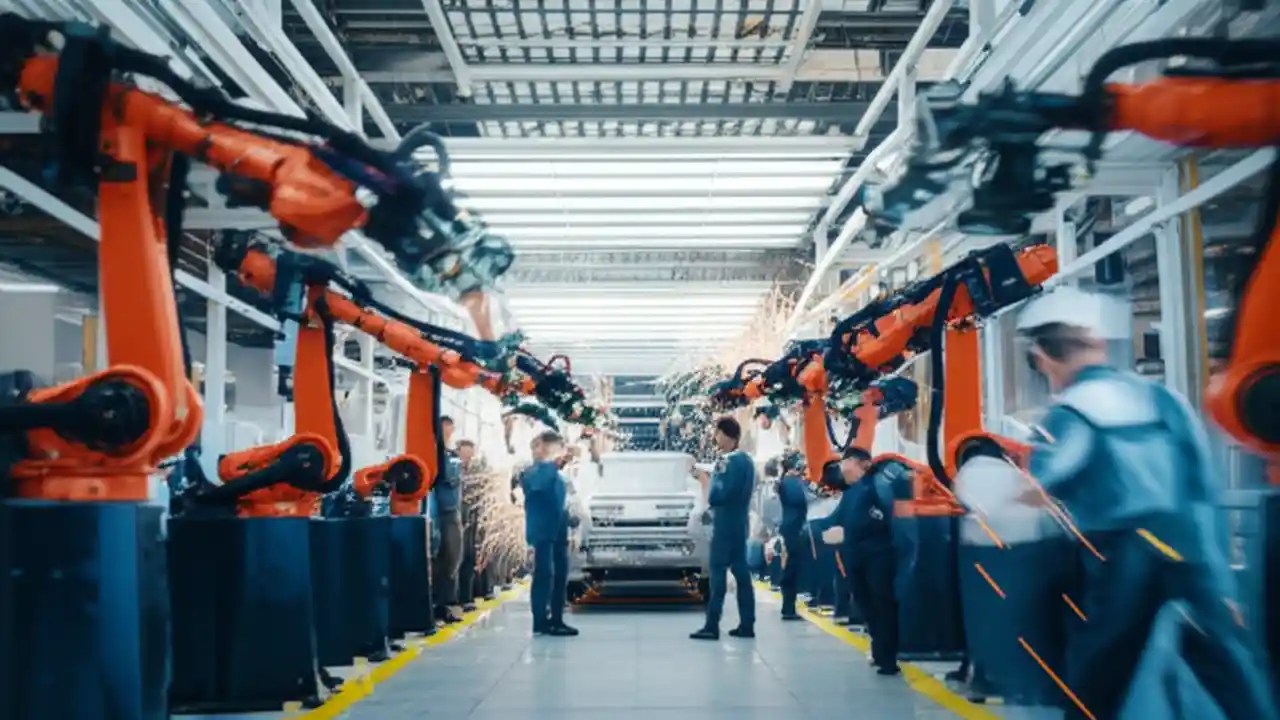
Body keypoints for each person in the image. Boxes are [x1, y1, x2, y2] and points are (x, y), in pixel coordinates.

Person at [1016, 286, 1276, 720]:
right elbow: (1202, 490)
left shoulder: (1069, 411)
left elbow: (1042, 485)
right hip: (1189, 547)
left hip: (1124, 555)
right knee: (1229, 664)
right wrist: (1222, 584)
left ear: (1043, 358)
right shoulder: (1163, 400)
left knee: (1100, 669)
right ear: (1097, 345)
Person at [827, 446, 899, 675]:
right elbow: (836, 519)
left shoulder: (877, 486)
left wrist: (851, 531)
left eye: (845, 461)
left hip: (878, 556)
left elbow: (885, 518)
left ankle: (888, 659)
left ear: (862, 463)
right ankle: (879, 650)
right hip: (855, 557)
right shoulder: (850, 493)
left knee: (882, 603)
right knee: (865, 603)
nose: (841, 466)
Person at [691, 416, 757, 640]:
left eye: (717, 433)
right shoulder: (747, 461)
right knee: (742, 575)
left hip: (724, 524)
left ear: (726, 435)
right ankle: (747, 623)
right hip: (740, 524)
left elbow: (717, 495)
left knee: (717, 574)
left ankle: (712, 625)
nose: (715, 438)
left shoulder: (726, 461)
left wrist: (704, 481)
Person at [521, 430, 579, 637]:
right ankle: (540, 622)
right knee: (544, 575)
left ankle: (556, 619)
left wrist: (572, 519)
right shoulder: (531, 471)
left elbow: (561, 498)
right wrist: (554, 463)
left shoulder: (555, 472)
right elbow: (540, 485)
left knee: (560, 575)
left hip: (559, 531)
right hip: (542, 532)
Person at [431, 415, 465, 624]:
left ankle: (447, 603)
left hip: (452, 512)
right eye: (443, 428)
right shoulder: (429, 454)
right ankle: (433, 604)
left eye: (449, 428)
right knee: (435, 559)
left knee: (452, 557)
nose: (447, 432)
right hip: (434, 511)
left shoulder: (452, 456)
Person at [775, 450, 811, 621]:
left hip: (792, 528)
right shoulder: (791, 482)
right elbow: (802, 500)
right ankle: (788, 608)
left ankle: (789, 606)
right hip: (793, 530)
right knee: (791, 568)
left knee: (792, 567)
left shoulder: (789, 482)